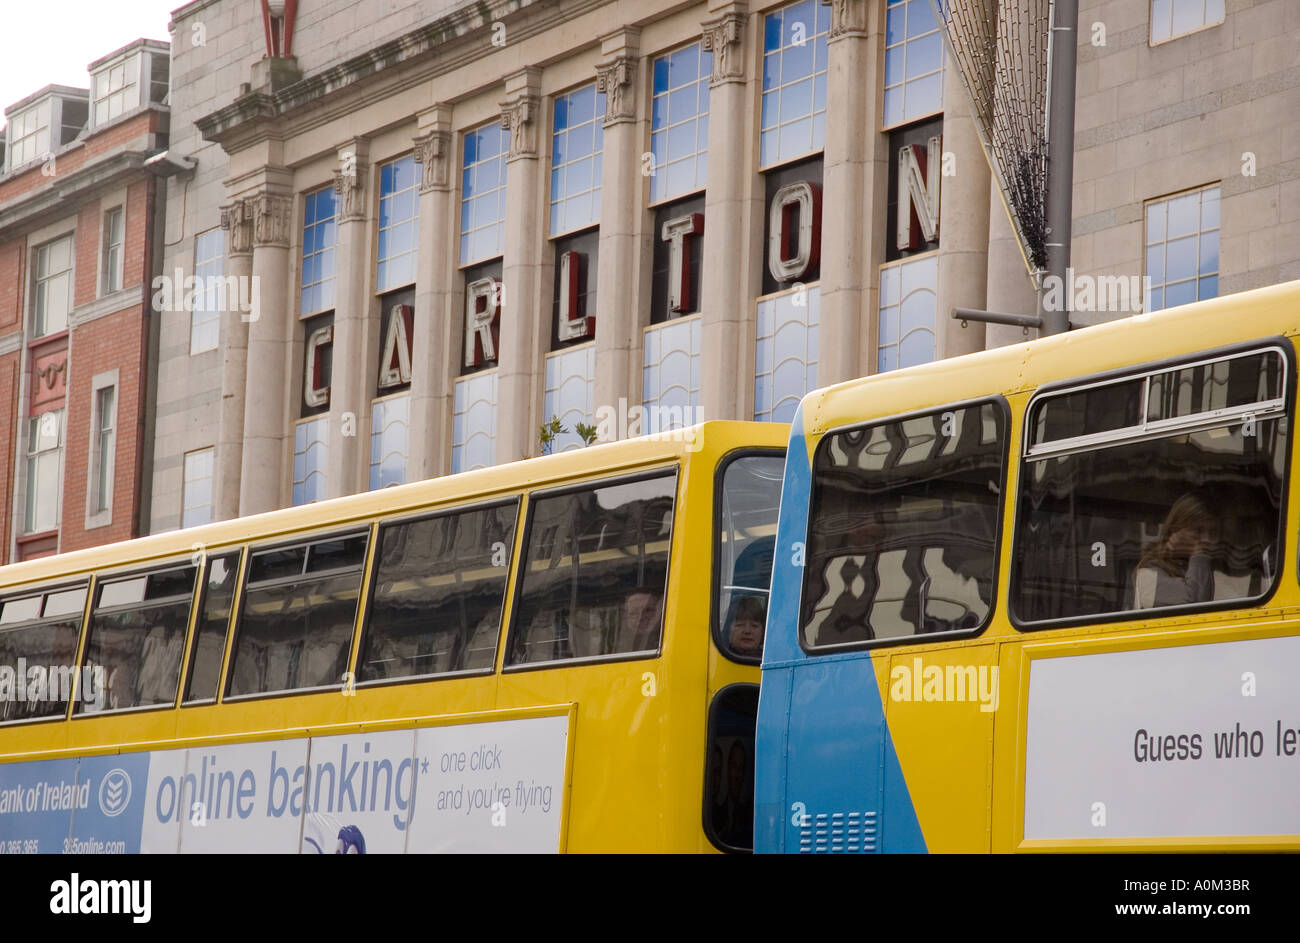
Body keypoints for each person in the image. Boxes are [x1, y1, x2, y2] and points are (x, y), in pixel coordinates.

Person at [1133, 491, 1221, 609]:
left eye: (1213, 532)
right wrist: (1197, 554)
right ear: (1175, 531)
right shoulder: (1149, 572)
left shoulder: (1205, 567)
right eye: (1198, 530)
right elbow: (1196, 607)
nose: (1207, 539)